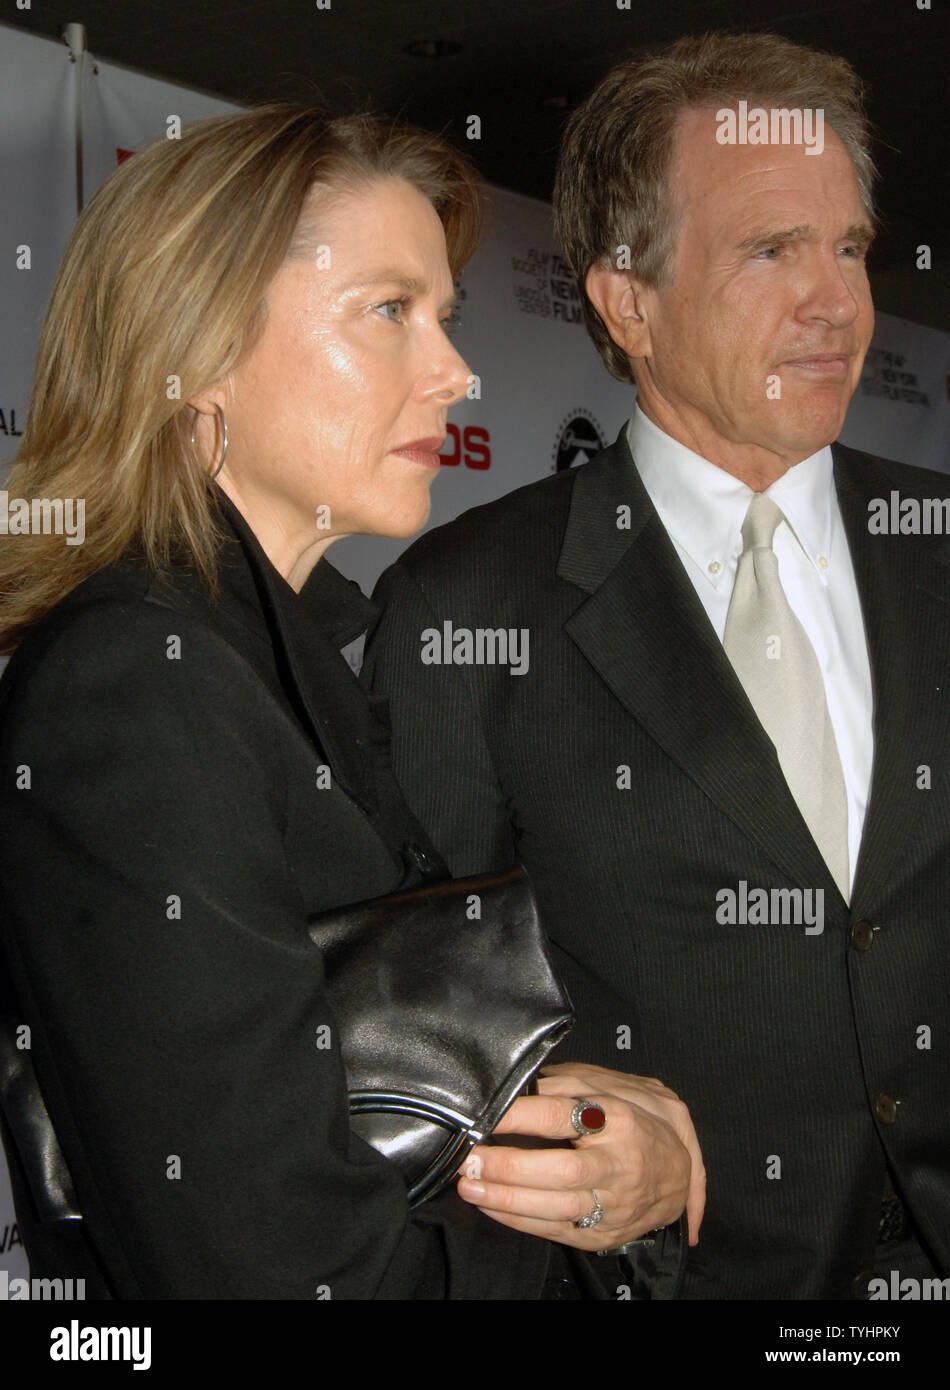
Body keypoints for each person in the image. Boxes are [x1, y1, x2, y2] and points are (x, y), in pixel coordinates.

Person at [0, 103, 701, 1299]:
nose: (456, 373)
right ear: (197, 345)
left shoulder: (293, 654)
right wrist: (595, 1255)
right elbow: (280, 1267)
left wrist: (626, 1155)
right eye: (388, 312)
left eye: (444, 318)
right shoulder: (137, 685)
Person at [366, 32, 950, 1299]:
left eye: (847, 247)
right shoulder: (466, 603)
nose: (838, 302)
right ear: (627, 299)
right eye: (768, 250)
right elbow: (428, 1030)